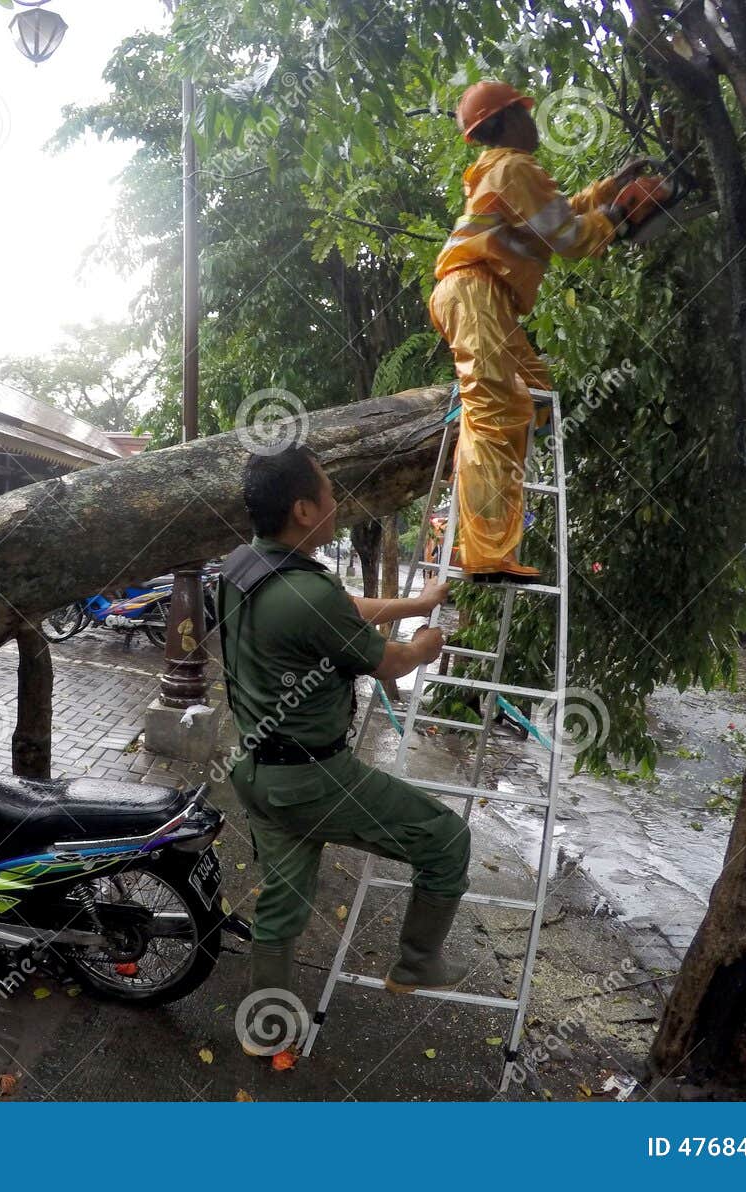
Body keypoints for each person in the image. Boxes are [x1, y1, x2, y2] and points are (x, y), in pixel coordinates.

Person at [219, 445, 470, 1053]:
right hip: (314, 778)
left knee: (282, 905)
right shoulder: (307, 590)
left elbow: (342, 612)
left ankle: (265, 1029)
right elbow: (394, 662)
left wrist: (415, 603)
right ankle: (415, 964)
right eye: (330, 494)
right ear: (304, 509)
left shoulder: (243, 565)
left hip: (255, 769)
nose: (338, 505)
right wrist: (431, 639)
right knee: (446, 839)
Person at [432, 81, 661, 581]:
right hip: (473, 291)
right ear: (509, 119)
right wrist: (623, 211)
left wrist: (607, 191)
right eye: (527, 113)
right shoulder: (512, 166)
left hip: (486, 298)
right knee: (492, 408)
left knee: (533, 397)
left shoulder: (509, 172)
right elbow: (572, 239)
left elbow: (556, 217)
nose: (536, 123)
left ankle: (495, 526)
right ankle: (484, 552)